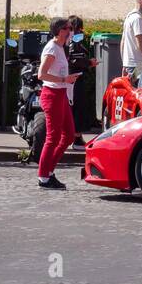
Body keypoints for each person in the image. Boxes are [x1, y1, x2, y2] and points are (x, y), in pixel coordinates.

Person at [36, 17, 81, 190]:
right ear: (59, 30)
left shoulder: (61, 47)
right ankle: (43, 176)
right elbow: (41, 74)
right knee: (53, 137)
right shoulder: (52, 48)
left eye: (70, 28)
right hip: (52, 94)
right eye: (68, 28)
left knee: (68, 135)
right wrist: (64, 79)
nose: (70, 31)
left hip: (60, 93)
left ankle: (49, 171)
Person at [65, 14, 95, 145]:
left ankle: (74, 136)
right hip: (75, 78)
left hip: (72, 77)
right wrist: (89, 63)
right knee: (78, 106)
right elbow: (75, 59)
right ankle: (76, 137)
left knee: (75, 106)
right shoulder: (74, 41)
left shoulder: (67, 40)